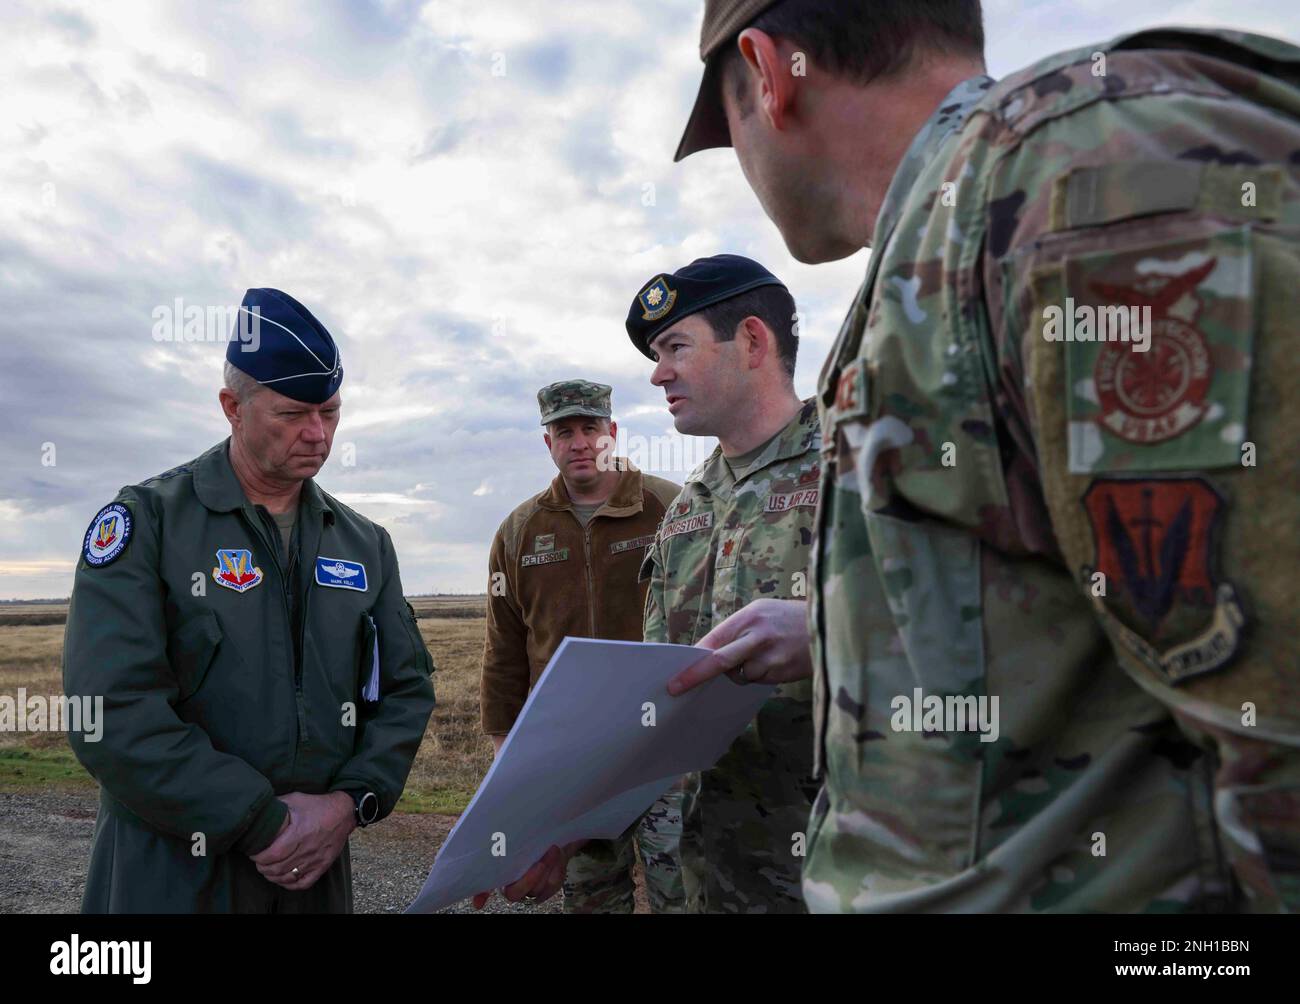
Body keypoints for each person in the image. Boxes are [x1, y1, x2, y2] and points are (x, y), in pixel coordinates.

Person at [667, 0, 1300, 912]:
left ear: (767, 75)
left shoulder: (1081, 190)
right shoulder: (953, 240)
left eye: (725, 126)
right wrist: (839, 634)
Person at [63, 287, 437, 913]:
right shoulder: (148, 523)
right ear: (232, 407)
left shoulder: (364, 543)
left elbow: (404, 690)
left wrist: (347, 806)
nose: (317, 434)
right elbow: (109, 710)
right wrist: (259, 821)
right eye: (292, 414)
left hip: (315, 877)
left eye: (331, 412)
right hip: (173, 875)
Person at [636, 254, 820, 913]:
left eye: (674, 347)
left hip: (835, 877)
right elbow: (663, 688)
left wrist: (828, 635)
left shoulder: (865, 465)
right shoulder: (687, 510)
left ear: (751, 340)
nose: (658, 373)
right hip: (703, 877)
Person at [479, 380, 685, 913]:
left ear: (612, 433)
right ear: (546, 442)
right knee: (592, 897)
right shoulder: (519, 531)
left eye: (590, 429)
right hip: (574, 755)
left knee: (683, 891)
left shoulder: (671, 508)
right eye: (563, 431)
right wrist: (507, 749)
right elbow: (503, 647)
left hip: (663, 747)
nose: (579, 442)